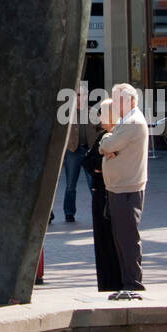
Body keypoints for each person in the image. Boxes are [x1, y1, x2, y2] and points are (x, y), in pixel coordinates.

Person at [98, 83, 149, 295]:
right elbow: (107, 142)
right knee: (121, 238)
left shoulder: (133, 122)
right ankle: (126, 282)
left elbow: (108, 145)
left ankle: (133, 283)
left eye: (119, 99)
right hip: (119, 188)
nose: (116, 104)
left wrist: (107, 143)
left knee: (127, 239)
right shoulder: (125, 121)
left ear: (130, 100)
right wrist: (108, 142)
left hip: (127, 189)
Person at [82, 97, 122, 293]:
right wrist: (100, 164)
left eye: (103, 115)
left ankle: (115, 282)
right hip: (98, 194)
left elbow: (105, 164)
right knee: (101, 242)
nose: (99, 119)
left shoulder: (118, 137)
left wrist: (100, 165)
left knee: (111, 240)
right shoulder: (101, 136)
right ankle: (104, 284)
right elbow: (88, 162)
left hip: (110, 194)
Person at [61, 88, 92, 223]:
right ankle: (69, 212)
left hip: (89, 151)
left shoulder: (93, 112)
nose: (81, 97)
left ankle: (99, 211)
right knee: (70, 185)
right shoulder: (67, 113)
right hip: (73, 151)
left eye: (83, 95)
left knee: (93, 184)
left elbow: (99, 129)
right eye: (78, 95)